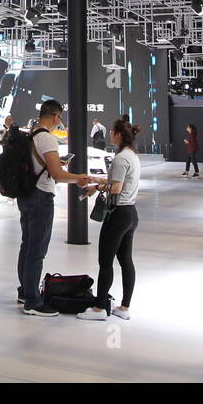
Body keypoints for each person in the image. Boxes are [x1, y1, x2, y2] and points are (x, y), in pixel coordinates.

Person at [17, 99, 89, 317]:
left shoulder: (30, 134)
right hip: (41, 197)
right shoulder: (48, 139)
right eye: (60, 117)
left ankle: (25, 291)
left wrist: (57, 165)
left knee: (27, 245)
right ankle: (33, 302)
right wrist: (79, 178)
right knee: (37, 251)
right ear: (56, 116)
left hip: (26, 194)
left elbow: (46, 167)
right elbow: (57, 175)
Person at [77, 118, 140, 322]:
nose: (110, 134)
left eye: (112, 131)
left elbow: (116, 188)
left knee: (105, 261)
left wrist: (98, 187)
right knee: (125, 260)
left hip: (118, 214)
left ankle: (98, 309)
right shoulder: (133, 155)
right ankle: (124, 307)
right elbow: (117, 182)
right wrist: (96, 182)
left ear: (119, 135)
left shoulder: (121, 158)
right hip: (130, 213)